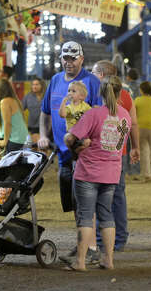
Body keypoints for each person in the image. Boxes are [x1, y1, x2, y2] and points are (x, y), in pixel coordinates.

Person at [38, 41, 103, 263]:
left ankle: (92, 248)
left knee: (85, 201)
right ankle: (83, 244)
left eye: (73, 58)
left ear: (81, 59)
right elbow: (45, 112)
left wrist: (90, 141)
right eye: (65, 57)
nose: (69, 62)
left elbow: (101, 115)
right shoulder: (55, 81)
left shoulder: (92, 82)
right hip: (63, 153)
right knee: (75, 203)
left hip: (85, 152)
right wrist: (43, 135)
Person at [63, 77, 131, 271]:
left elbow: (70, 137)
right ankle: (108, 259)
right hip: (111, 173)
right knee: (106, 214)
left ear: (100, 93)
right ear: (120, 93)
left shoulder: (93, 114)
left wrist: (77, 147)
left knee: (85, 216)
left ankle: (80, 261)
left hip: (88, 172)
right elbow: (119, 145)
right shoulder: (125, 116)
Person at [91, 60, 139, 252]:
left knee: (95, 198)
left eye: (93, 72)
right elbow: (133, 123)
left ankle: (99, 240)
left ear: (101, 75)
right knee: (118, 196)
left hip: (96, 156)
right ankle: (119, 238)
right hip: (118, 155)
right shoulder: (126, 96)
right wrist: (135, 147)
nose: (91, 75)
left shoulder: (96, 95)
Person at [0, 79, 28, 153]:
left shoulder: (5, 101)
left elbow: (7, 123)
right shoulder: (15, 100)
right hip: (22, 138)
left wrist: (5, 141)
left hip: (14, 139)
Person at [21, 78, 46, 146]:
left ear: (42, 85)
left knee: (45, 147)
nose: (34, 86)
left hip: (46, 126)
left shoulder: (46, 96)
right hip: (33, 126)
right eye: (33, 84)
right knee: (35, 145)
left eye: (37, 84)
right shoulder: (28, 97)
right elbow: (20, 109)